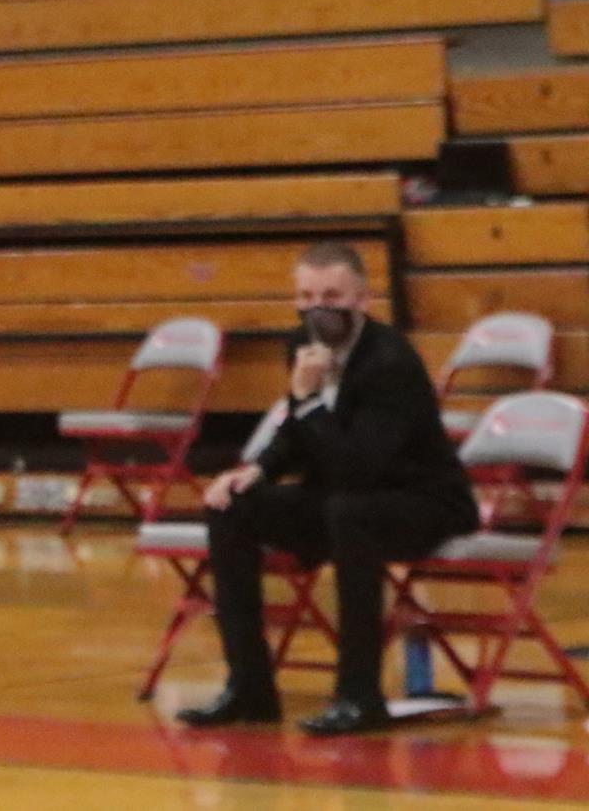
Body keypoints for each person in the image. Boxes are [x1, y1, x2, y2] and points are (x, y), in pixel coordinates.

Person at [178, 242, 478, 736]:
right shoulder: (299, 344)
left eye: (332, 295)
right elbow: (300, 434)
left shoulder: (390, 360)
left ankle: (359, 696)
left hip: (423, 502)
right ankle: (248, 687)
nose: (319, 308)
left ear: (362, 298)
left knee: (348, 511)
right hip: (347, 499)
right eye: (307, 295)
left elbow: (360, 464)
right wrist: (256, 470)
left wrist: (307, 399)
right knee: (232, 507)